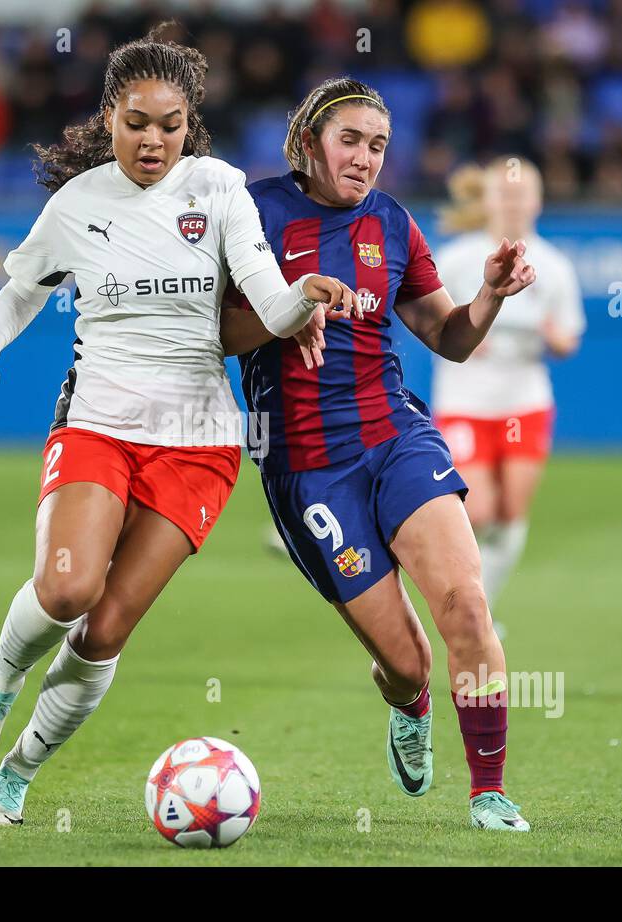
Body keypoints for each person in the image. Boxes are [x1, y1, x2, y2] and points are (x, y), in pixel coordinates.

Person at [0, 26, 358, 828]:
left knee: (103, 630)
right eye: (138, 122)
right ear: (110, 117)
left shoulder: (219, 189)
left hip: (198, 442)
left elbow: (269, 304)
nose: (154, 141)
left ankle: (19, 773)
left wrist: (305, 293)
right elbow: (23, 289)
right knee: (68, 587)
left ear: (189, 123)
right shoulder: (77, 204)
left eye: (170, 125)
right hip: (99, 421)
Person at [221, 78, 536, 831]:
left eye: (378, 146)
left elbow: (450, 339)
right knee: (408, 662)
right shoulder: (256, 212)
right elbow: (222, 337)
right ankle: (409, 704)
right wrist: (291, 305)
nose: (365, 159)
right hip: (306, 467)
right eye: (350, 141)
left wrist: (489, 296)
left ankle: (488, 791)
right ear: (309, 142)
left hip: (396, 438)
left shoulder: (391, 223)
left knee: (465, 604)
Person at [432, 159, 584, 625]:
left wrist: (552, 336)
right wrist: (464, 336)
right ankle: (460, 603)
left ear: (537, 202)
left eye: (523, 195)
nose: (514, 204)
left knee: (510, 514)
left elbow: (568, 339)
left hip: (525, 403)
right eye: (505, 194)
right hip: (464, 403)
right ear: (488, 200)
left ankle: (480, 611)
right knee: (476, 511)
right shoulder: (458, 259)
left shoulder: (554, 266)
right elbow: (433, 319)